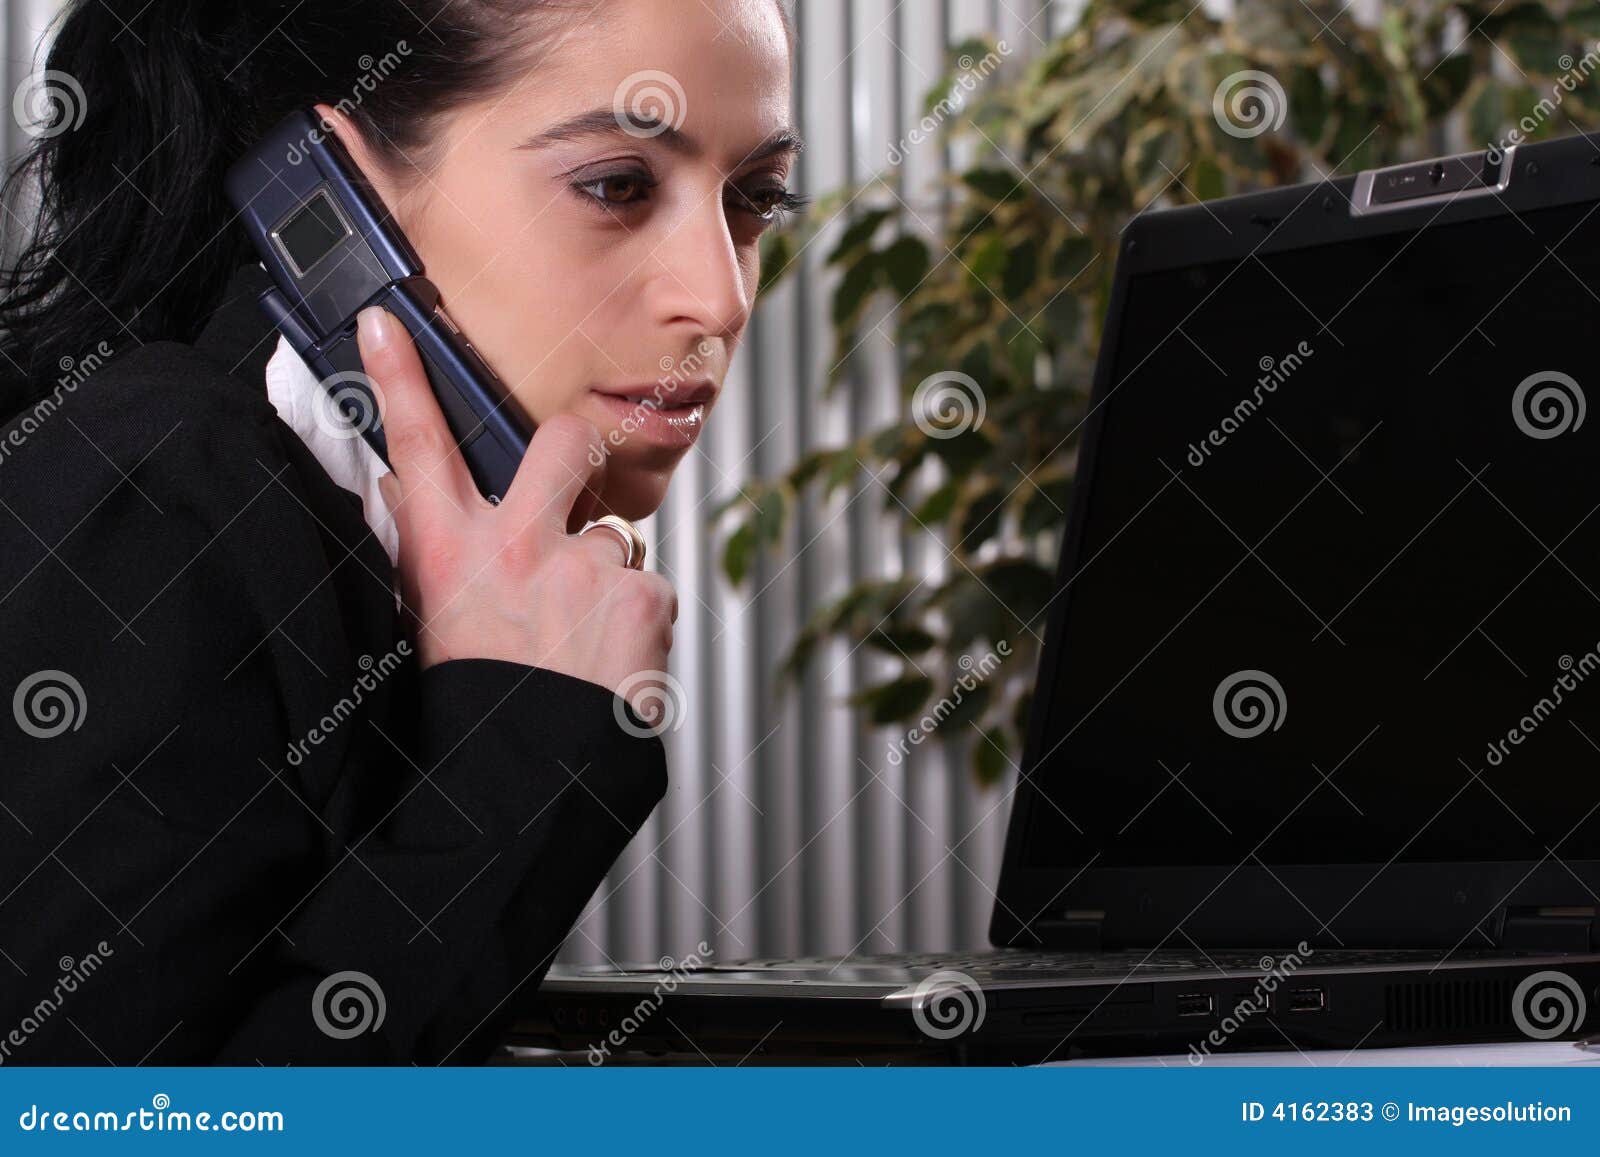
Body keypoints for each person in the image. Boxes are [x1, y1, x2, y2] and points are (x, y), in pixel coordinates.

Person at [0, 0, 800, 1063]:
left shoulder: (365, 531)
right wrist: (522, 741)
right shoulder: (150, 500)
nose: (721, 294)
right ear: (322, 193)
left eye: (755, 199)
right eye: (617, 186)